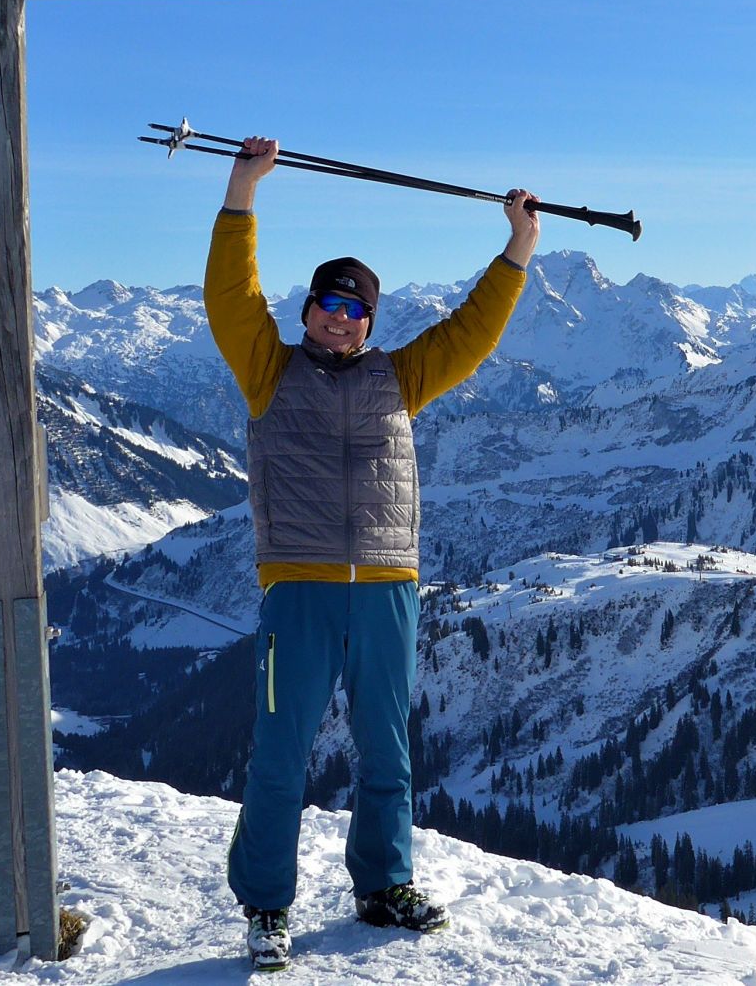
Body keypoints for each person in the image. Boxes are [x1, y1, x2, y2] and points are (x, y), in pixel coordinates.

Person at [203, 136, 537, 974]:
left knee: (388, 746)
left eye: (354, 310)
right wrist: (243, 192)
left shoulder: (402, 375)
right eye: (328, 304)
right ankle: (267, 907)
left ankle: (384, 883)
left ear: (369, 322)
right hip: (300, 587)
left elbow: (470, 333)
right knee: (282, 750)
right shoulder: (267, 369)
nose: (340, 319)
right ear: (308, 309)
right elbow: (228, 298)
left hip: (389, 585)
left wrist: (517, 249)